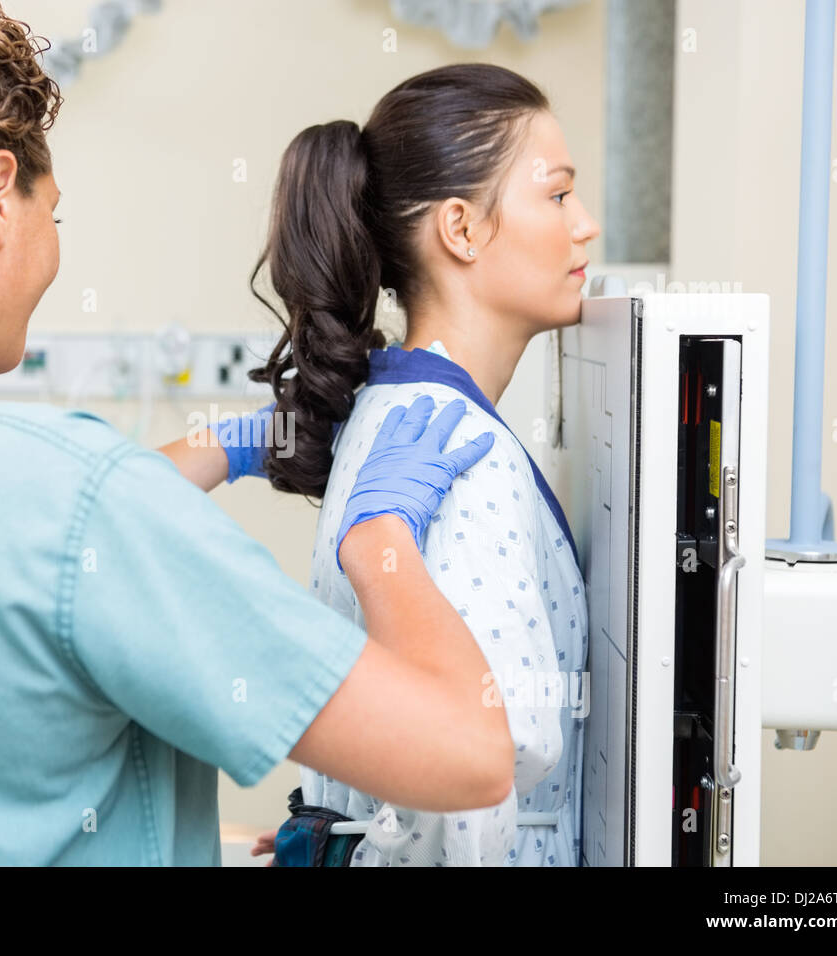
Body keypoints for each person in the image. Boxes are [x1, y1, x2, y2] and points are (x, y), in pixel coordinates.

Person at [0, 0, 509, 865]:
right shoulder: (79, 502)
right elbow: (468, 752)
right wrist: (380, 532)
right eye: (56, 215)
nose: (53, 243)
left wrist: (226, 445)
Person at [244, 63, 601, 866]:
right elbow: (474, 782)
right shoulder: (458, 451)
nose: (586, 225)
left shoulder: (398, 413)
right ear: (461, 229)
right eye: (557, 194)